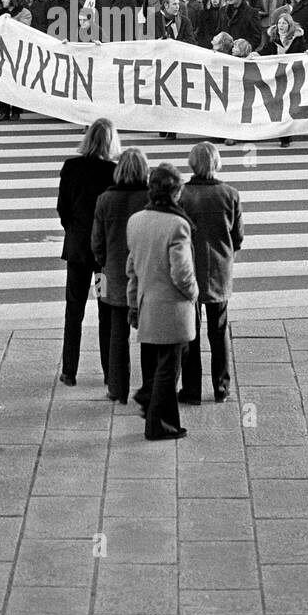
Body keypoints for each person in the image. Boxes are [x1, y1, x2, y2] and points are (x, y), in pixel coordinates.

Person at [127, 163, 198, 441]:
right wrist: (193, 293)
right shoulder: (177, 225)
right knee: (170, 367)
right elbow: (181, 272)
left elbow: (131, 267)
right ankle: (160, 424)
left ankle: (151, 400)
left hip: (147, 303)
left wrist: (133, 303)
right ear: (175, 193)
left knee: (161, 364)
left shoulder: (136, 221)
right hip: (172, 307)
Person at [56, 118, 120, 386]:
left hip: (77, 253)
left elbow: (63, 208)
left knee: (74, 310)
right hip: (102, 258)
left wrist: (74, 231)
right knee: (105, 310)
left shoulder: (72, 167)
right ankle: (108, 371)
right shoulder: (113, 172)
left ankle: (69, 370)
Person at [178, 142, 243, 405]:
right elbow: (237, 237)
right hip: (218, 269)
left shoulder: (181, 194)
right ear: (216, 163)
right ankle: (221, 387)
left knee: (189, 332)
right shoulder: (230, 194)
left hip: (189, 269)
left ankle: (191, 389)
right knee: (219, 330)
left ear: (192, 164)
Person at [91, 148, 150, 404]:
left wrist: (106, 264)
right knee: (149, 336)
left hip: (114, 275)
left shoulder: (105, 199)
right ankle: (149, 386)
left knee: (117, 334)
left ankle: (117, 388)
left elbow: (97, 242)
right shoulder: (149, 197)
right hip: (145, 275)